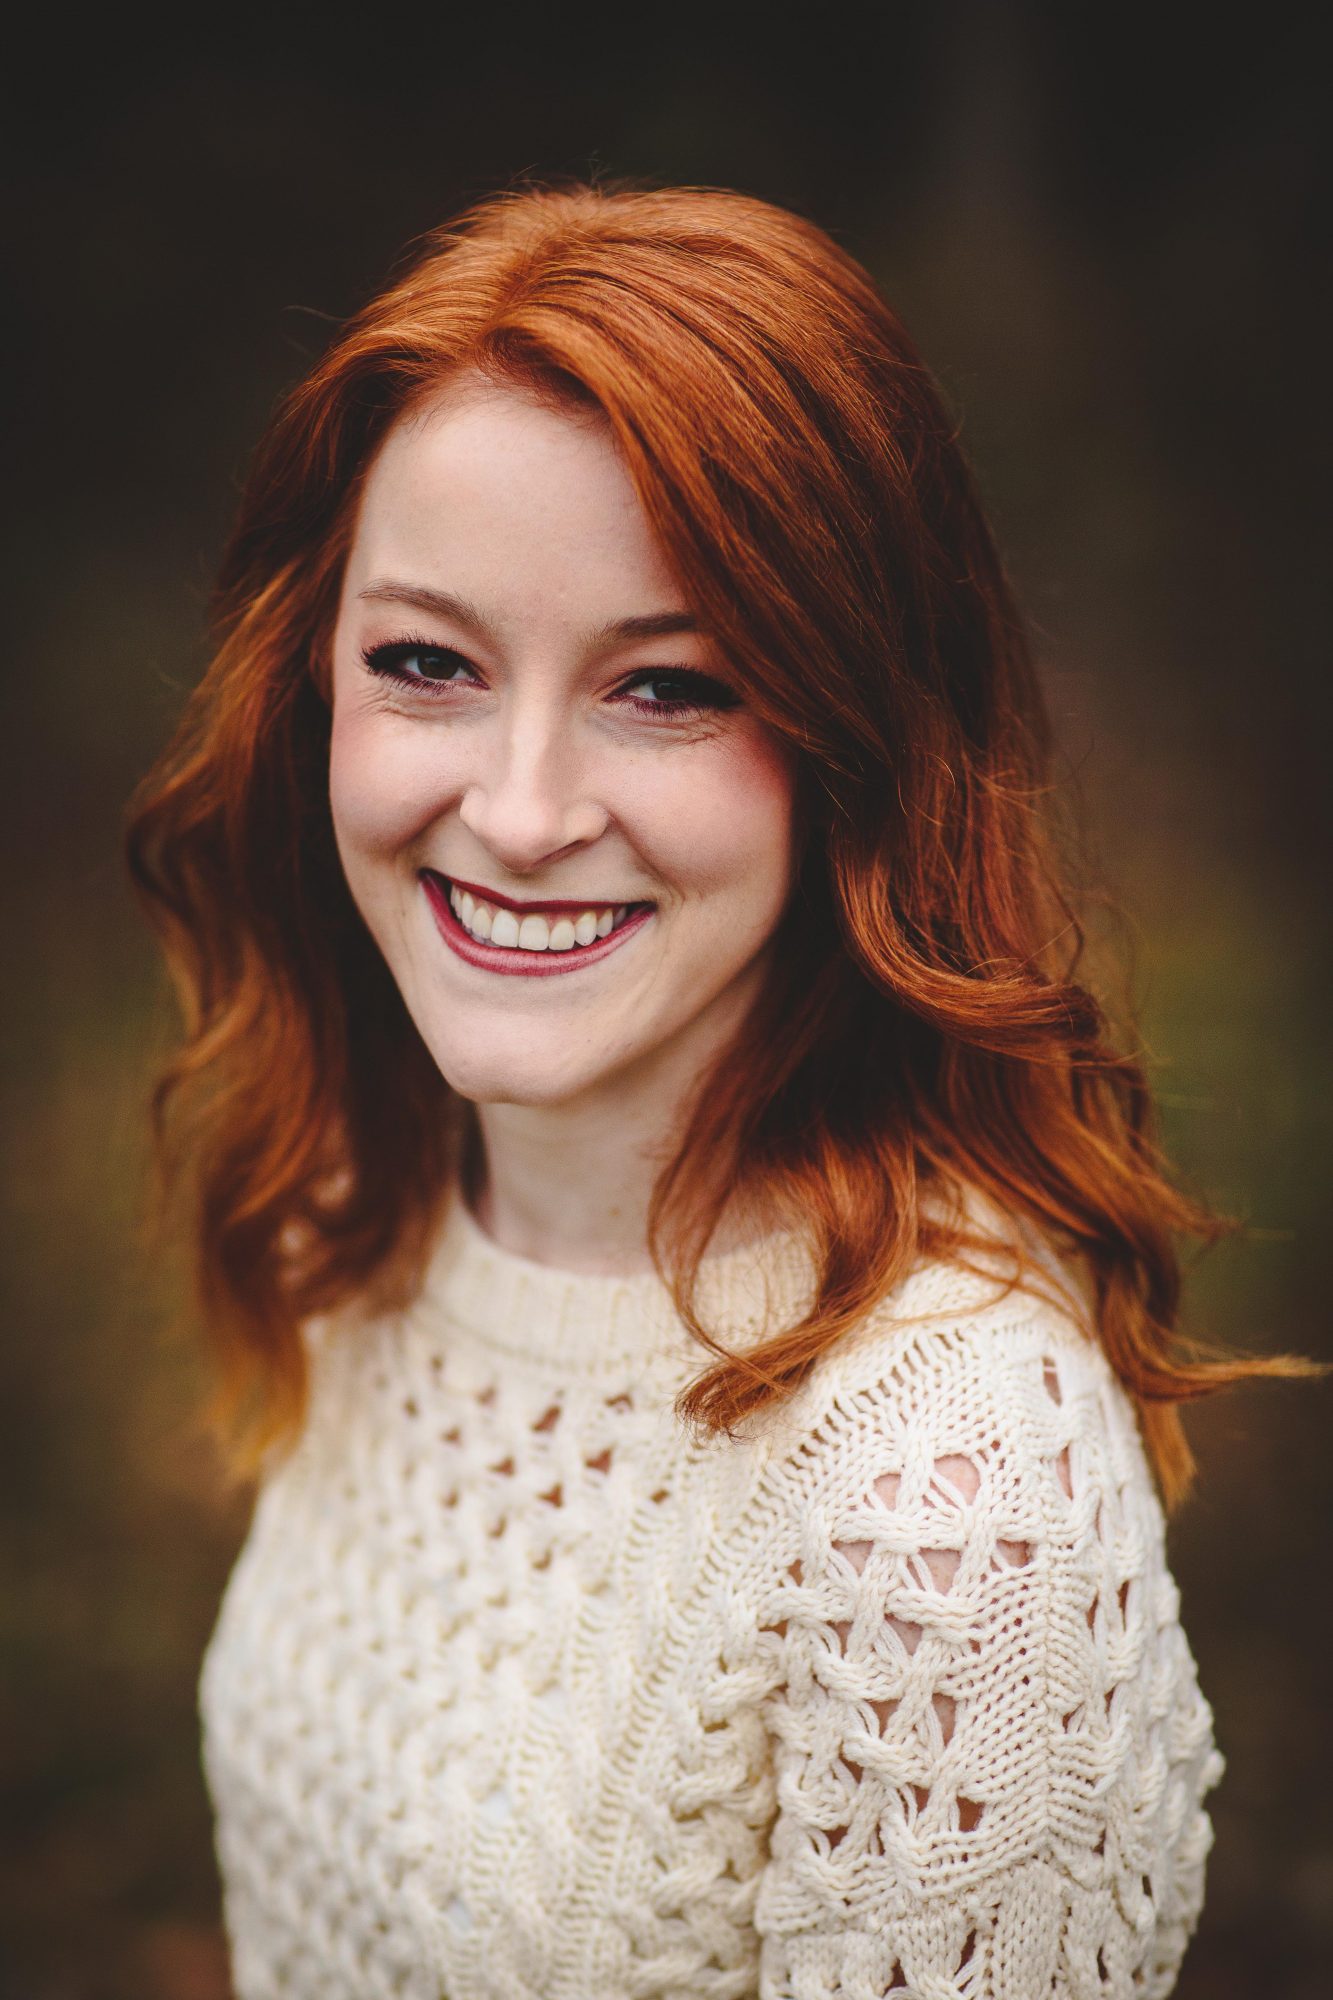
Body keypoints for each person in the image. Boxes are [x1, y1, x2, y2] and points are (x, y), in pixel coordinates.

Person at [125, 181, 1289, 1999]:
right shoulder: (378, 1209)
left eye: (665, 688)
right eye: (426, 663)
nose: (515, 812)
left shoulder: (944, 1497)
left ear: (861, 740)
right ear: (313, 684)